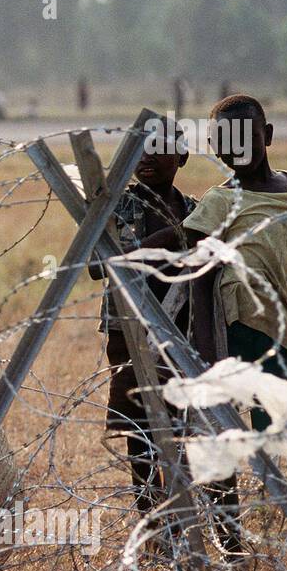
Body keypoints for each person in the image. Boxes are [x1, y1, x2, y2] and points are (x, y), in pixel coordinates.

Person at [141, 94, 287, 559]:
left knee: (282, 440)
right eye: (224, 140)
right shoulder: (223, 200)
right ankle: (241, 543)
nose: (236, 148)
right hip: (238, 333)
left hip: (284, 335)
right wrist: (207, 352)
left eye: (246, 136)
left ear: (269, 136)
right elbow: (200, 272)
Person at [94, 115, 194, 533]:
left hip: (182, 334)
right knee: (140, 431)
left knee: (180, 429)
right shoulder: (119, 204)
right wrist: (175, 235)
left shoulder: (193, 208)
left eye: (159, 148)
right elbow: (101, 265)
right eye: (139, 150)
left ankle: (181, 516)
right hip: (129, 333)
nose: (148, 157)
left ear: (182, 155)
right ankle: (150, 519)